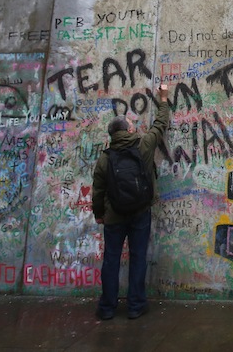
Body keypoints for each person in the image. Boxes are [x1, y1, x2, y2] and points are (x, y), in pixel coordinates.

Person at [92, 83, 170, 320]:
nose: (134, 126)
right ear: (126, 130)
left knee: (111, 260)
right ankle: (135, 305)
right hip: (139, 212)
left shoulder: (105, 158)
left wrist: (99, 214)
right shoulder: (142, 146)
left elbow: (98, 190)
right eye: (132, 125)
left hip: (113, 215)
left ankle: (107, 308)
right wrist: (163, 98)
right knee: (137, 257)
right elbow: (160, 125)